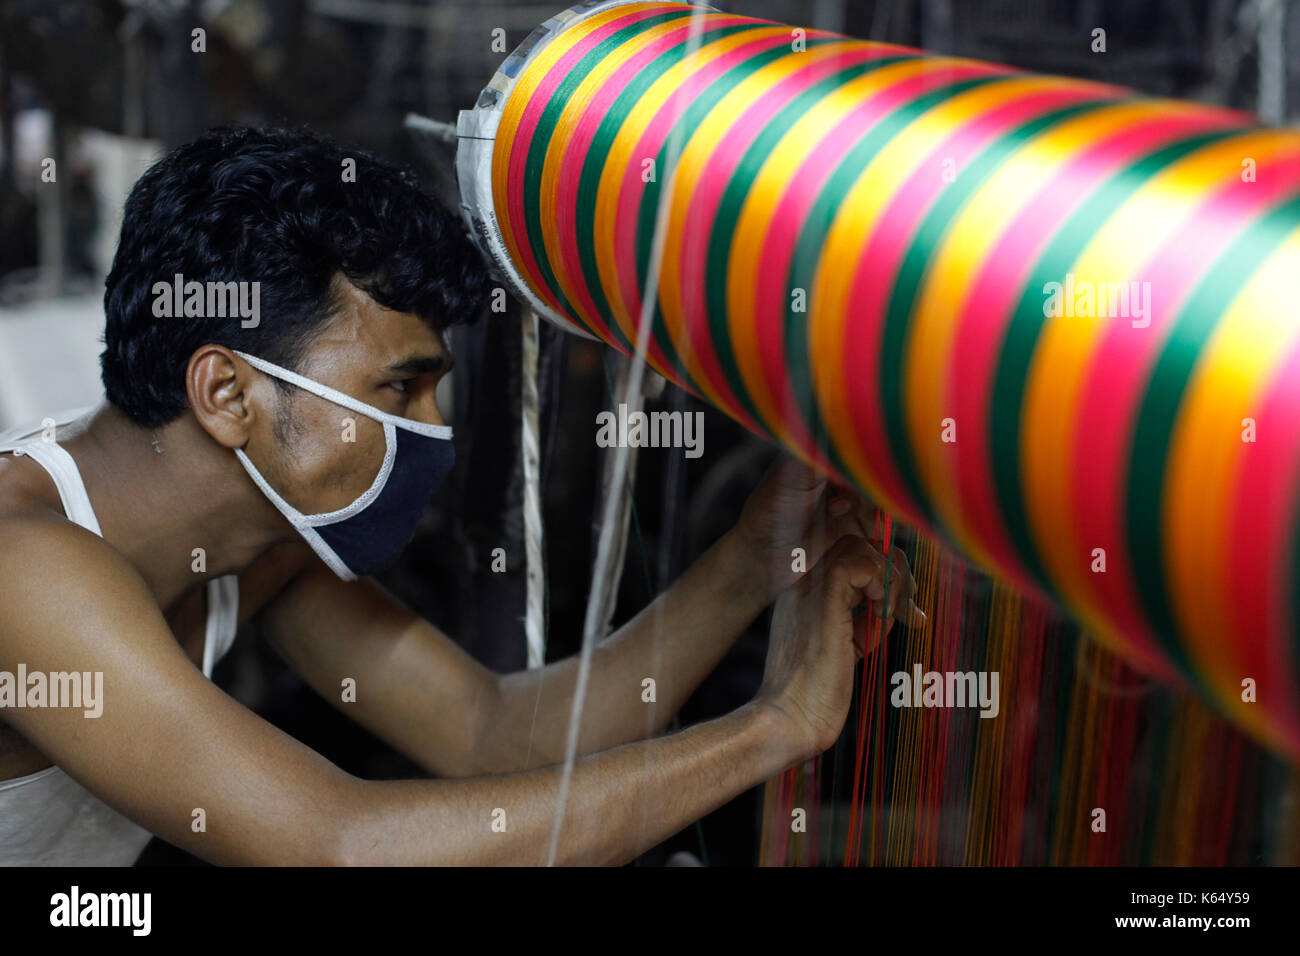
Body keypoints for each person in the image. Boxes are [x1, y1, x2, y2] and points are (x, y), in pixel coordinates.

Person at [0, 125, 920, 866]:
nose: (433, 431)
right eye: (399, 389)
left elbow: (492, 734)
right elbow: (337, 846)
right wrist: (772, 727)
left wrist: (755, 556)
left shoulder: (263, 546)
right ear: (228, 394)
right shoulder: (24, 565)